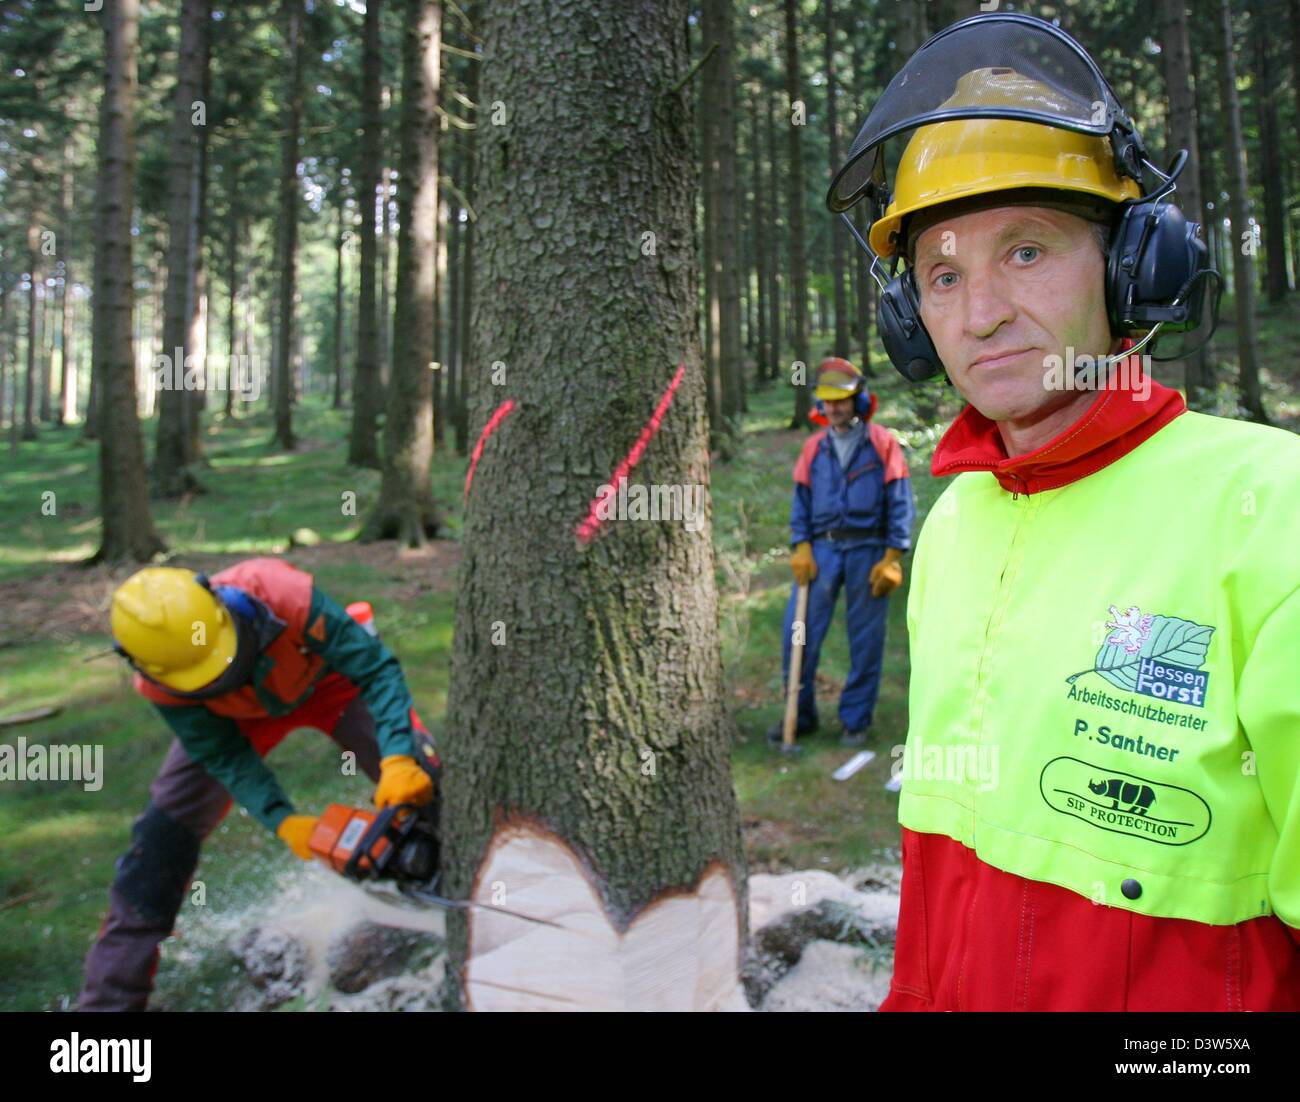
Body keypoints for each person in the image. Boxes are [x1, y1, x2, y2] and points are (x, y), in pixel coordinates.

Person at [829, 11, 1300, 1009]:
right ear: (909, 319)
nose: (981, 310)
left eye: (1028, 252)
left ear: (1132, 264)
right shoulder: (955, 524)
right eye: (942, 274)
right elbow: (941, 892)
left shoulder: (1268, 509)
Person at [78, 557, 439, 1011]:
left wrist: (398, 758)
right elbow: (226, 755)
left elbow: (374, 670)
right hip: (225, 719)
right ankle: (108, 1003)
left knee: (429, 783)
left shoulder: (284, 596)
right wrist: (284, 820)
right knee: (159, 841)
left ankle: (463, 896)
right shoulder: (160, 681)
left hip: (330, 681)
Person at [768, 357, 915, 748]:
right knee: (797, 636)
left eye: (842, 401)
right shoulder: (813, 449)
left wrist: (893, 556)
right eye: (828, 401)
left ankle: (855, 719)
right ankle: (798, 717)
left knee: (865, 640)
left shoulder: (882, 444)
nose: (834, 408)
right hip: (821, 551)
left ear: (858, 399)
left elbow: (900, 501)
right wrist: (801, 547)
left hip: (868, 552)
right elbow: (801, 502)